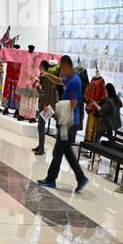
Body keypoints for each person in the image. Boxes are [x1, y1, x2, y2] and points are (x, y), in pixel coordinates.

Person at [37, 55, 89, 193]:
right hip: (66, 122)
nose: (60, 70)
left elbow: (74, 103)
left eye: (61, 67)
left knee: (60, 151)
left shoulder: (75, 82)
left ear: (67, 66)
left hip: (68, 123)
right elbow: (60, 81)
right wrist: (48, 75)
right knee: (62, 151)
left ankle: (52, 179)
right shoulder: (71, 79)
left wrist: (60, 109)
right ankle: (79, 177)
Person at [33, 60, 62, 156]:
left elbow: (46, 92)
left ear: (42, 67)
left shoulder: (46, 77)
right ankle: (40, 146)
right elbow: (42, 92)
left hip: (47, 106)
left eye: (39, 65)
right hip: (46, 104)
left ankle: (41, 148)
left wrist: (45, 104)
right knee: (40, 126)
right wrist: (36, 86)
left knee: (41, 126)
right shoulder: (45, 76)